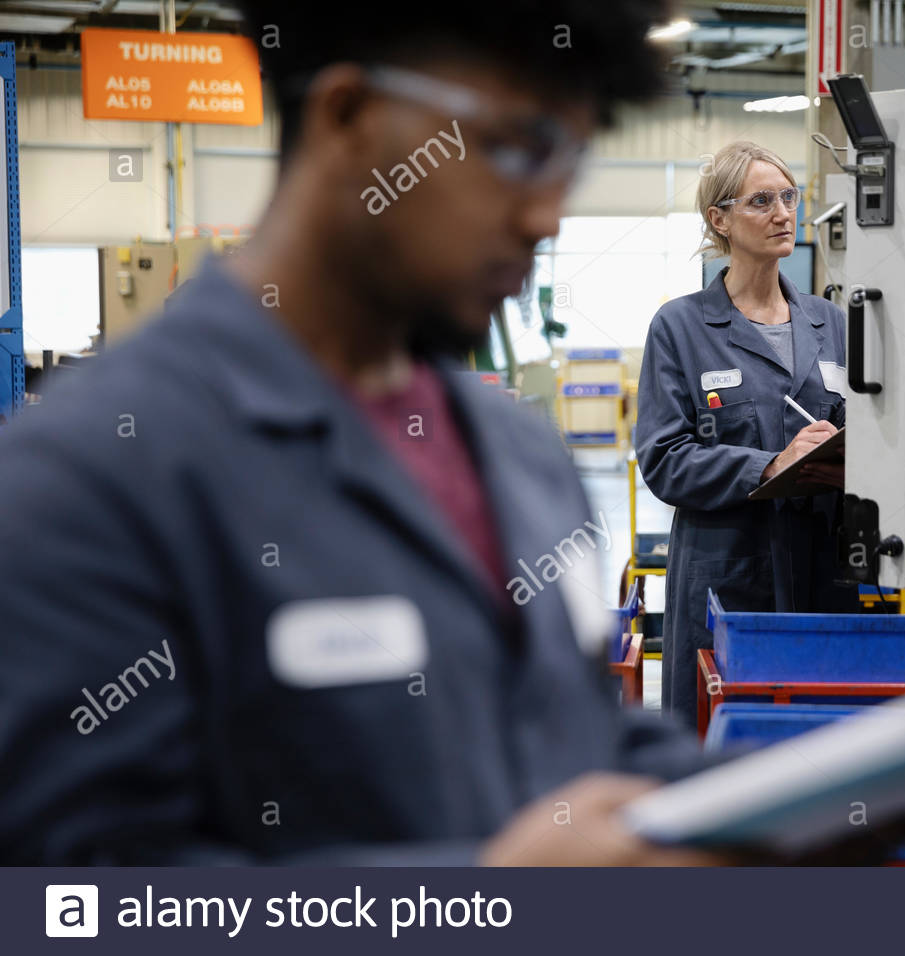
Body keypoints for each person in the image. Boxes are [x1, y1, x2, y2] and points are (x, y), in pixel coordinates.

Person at [0, 1, 723, 866]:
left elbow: (574, 734)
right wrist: (487, 896)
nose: (545, 218)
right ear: (348, 116)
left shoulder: (520, 453)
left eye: (568, 162)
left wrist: (756, 810)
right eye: (517, 148)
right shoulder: (91, 477)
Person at [636, 142, 862, 723]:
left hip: (824, 568)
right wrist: (768, 465)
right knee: (722, 739)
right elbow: (664, 457)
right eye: (762, 201)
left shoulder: (831, 323)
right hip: (729, 572)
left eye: (789, 197)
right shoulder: (682, 327)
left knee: (819, 734)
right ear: (720, 219)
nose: (784, 213)